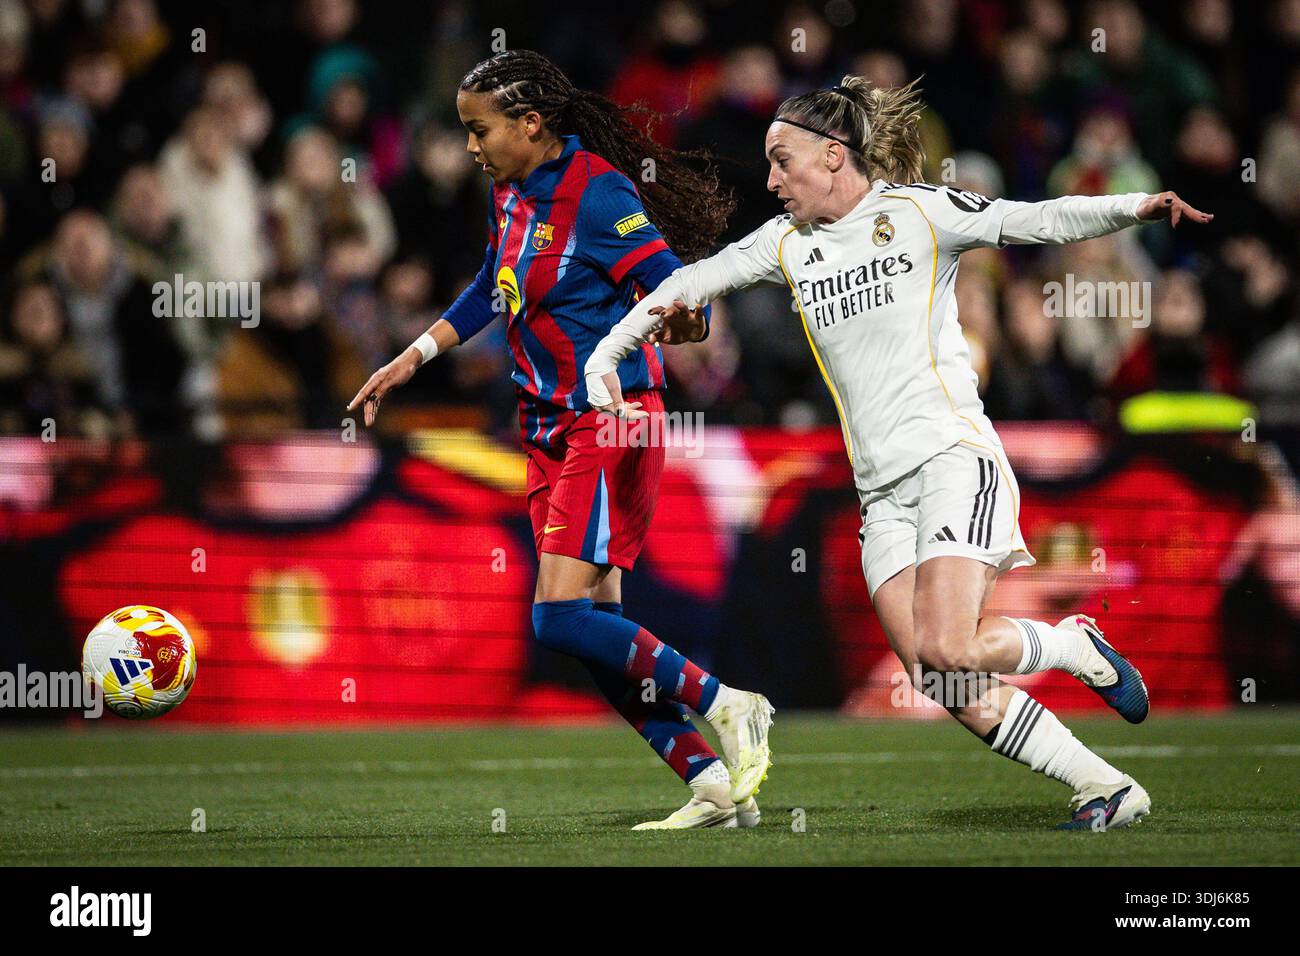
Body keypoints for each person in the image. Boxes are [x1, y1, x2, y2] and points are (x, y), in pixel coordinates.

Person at [586, 76, 1214, 831]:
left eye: (783, 161)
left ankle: (1070, 643)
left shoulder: (920, 212)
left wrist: (1132, 206)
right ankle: (1105, 786)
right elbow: (690, 282)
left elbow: (1034, 221)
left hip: (954, 460)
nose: (774, 180)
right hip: (881, 497)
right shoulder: (785, 244)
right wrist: (604, 360)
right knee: (937, 676)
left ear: (832, 154)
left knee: (952, 646)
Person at [347, 50, 773, 830]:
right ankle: (709, 782)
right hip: (546, 427)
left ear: (530, 124)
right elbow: (490, 287)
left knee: (554, 618)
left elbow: (679, 293)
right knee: (593, 632)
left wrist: (689, 321)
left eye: (479, 130)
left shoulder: (598, 195)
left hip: (609, 417)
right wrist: (412, 357)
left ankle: (729, 703)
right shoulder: (508, 196)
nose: (469, 147)